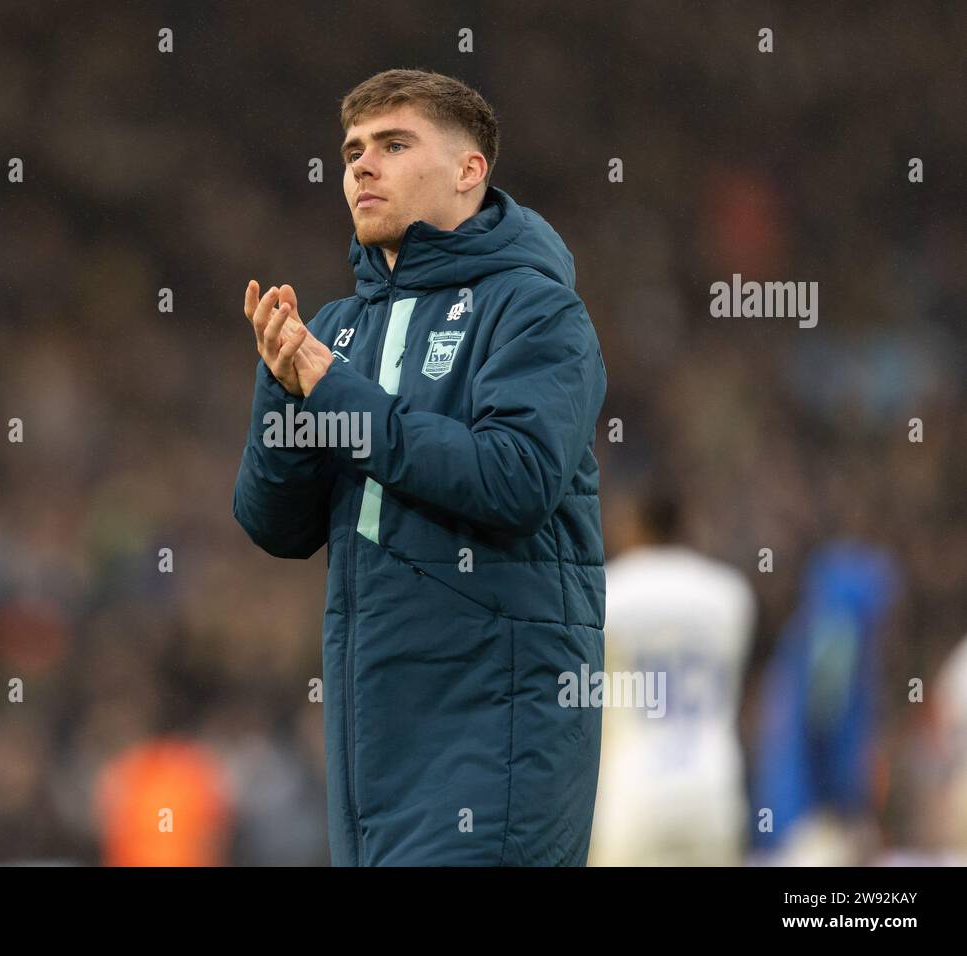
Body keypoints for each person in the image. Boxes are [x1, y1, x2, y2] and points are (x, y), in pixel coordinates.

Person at [233, 69, 608, 865]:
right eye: (353, 151)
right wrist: (284, 388)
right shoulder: (337, 328)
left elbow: (515, 480)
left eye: (394, 145)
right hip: (370, 728)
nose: (363, 166)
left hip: (497, 721)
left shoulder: (535, 311)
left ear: (470, 170)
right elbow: (275, 525)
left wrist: (332, 388)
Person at [589, 489, 756, 865]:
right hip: (714, 787)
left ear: (636, 529)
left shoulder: (610, 591)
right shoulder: (730, 594)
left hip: (634, 792)